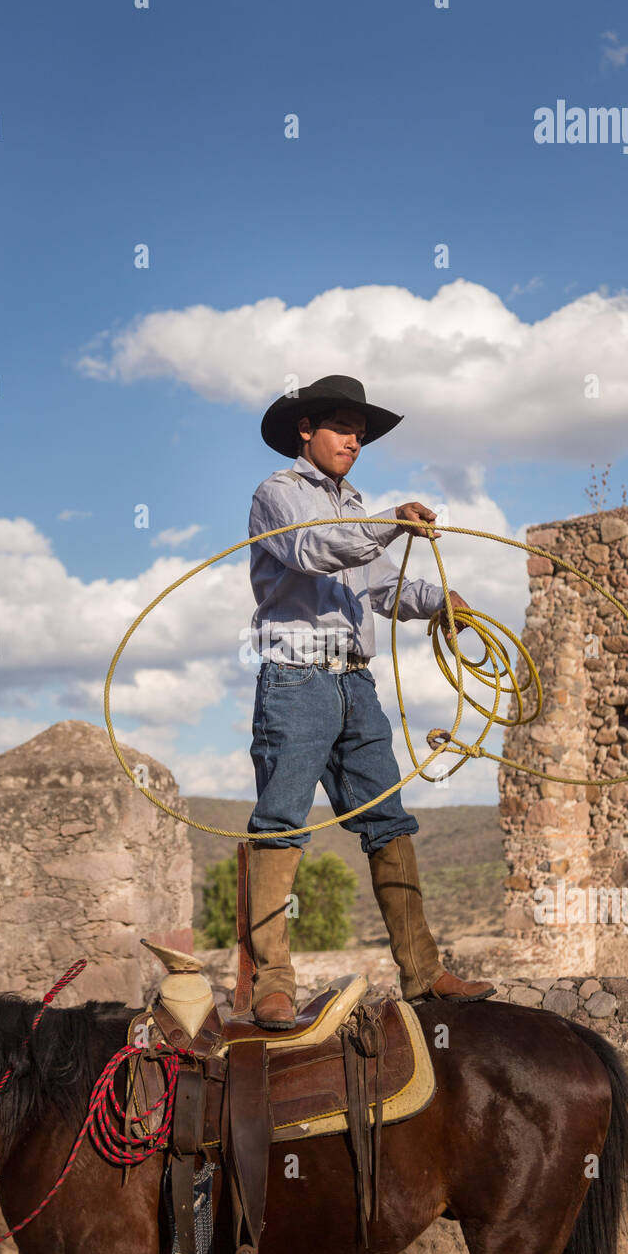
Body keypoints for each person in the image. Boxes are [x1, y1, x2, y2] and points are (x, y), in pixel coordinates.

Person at [245, 374, 496, 1028]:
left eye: (361, 431)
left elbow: (381, 589)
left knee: (390, 823)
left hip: (357, 682)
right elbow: (312, 552)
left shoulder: (356, 504)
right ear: (306, 429)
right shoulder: (276, 495)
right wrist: (385, 525)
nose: (354, 440)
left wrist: (442, 602)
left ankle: (422, 973)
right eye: (341, 426)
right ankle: (270, 984)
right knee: (280, 822)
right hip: (296, 678)